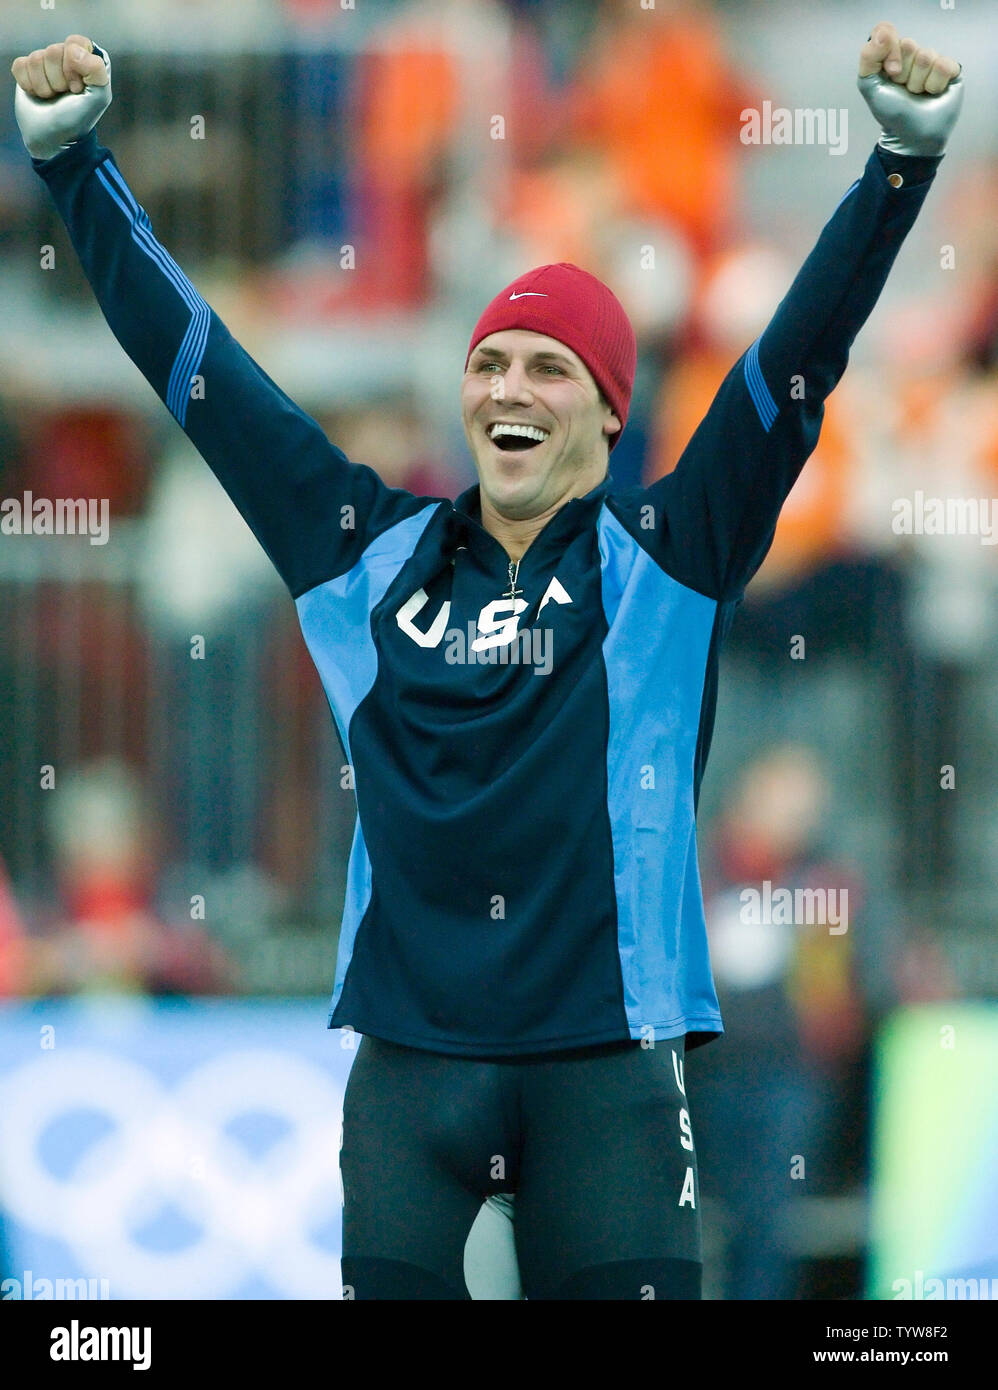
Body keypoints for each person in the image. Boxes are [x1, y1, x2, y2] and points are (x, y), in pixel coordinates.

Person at [11, 22, 963, 1300]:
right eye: (488, 362)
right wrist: (76, 166)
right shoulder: (366, 552)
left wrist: (895, 170)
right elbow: (205, 380)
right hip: (409, 1072)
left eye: (547, 366)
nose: (508, 385)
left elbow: (798, 358)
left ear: (610, 409)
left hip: (607, 1075)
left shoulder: (670, 552)